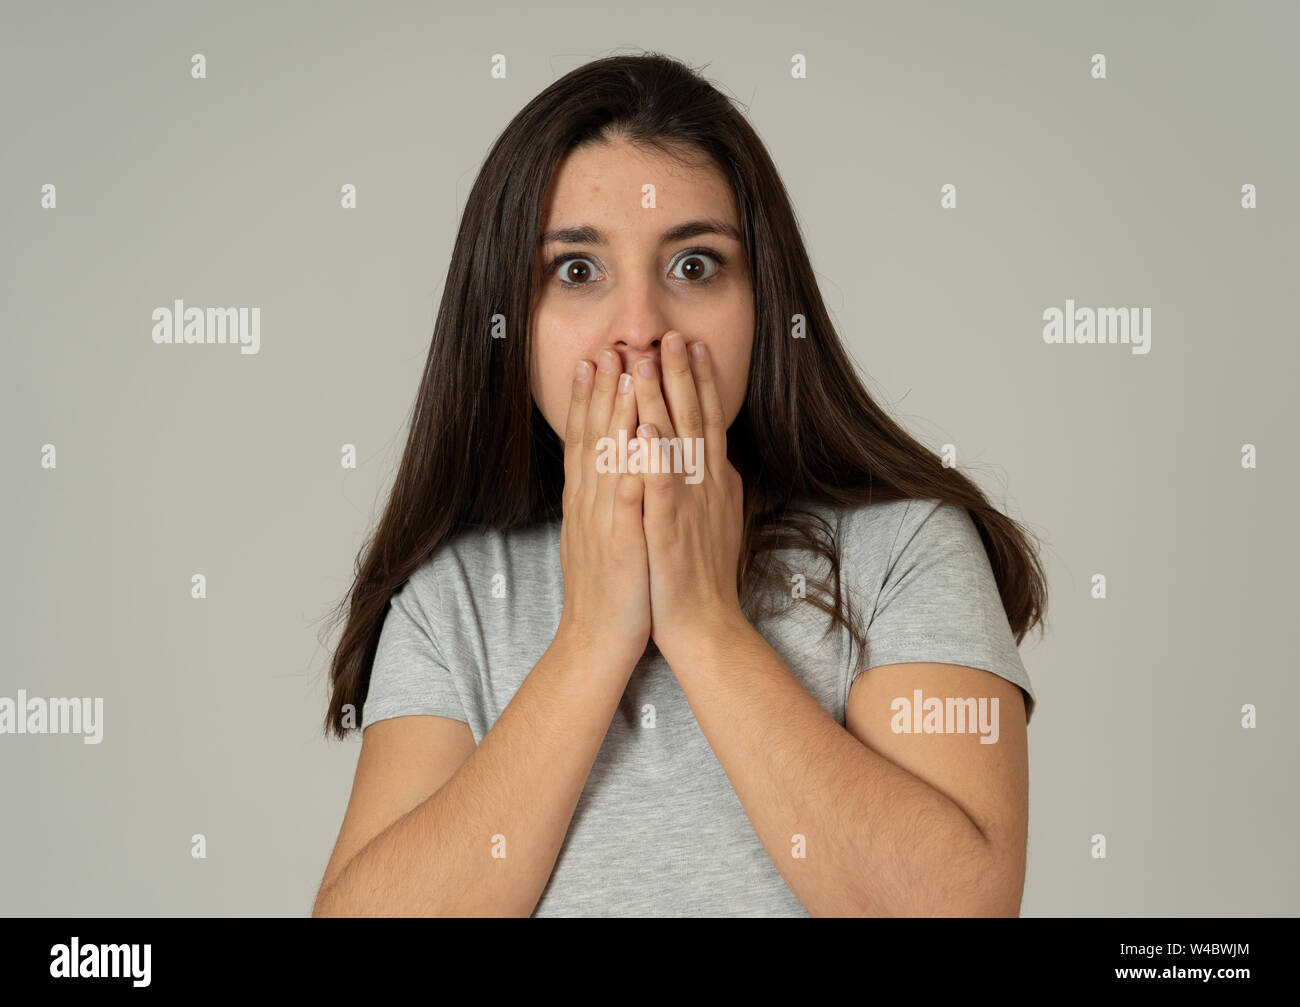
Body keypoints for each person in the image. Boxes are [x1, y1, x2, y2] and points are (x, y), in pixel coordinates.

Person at [312, 51, 1048, 918]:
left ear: (765, 303)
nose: (639, 329)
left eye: (694, 266)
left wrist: (702, 620)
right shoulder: (455, 597)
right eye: (577, 271)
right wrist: (591, 638)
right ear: (508, 319)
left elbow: (958, 910)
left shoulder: (910, 547)